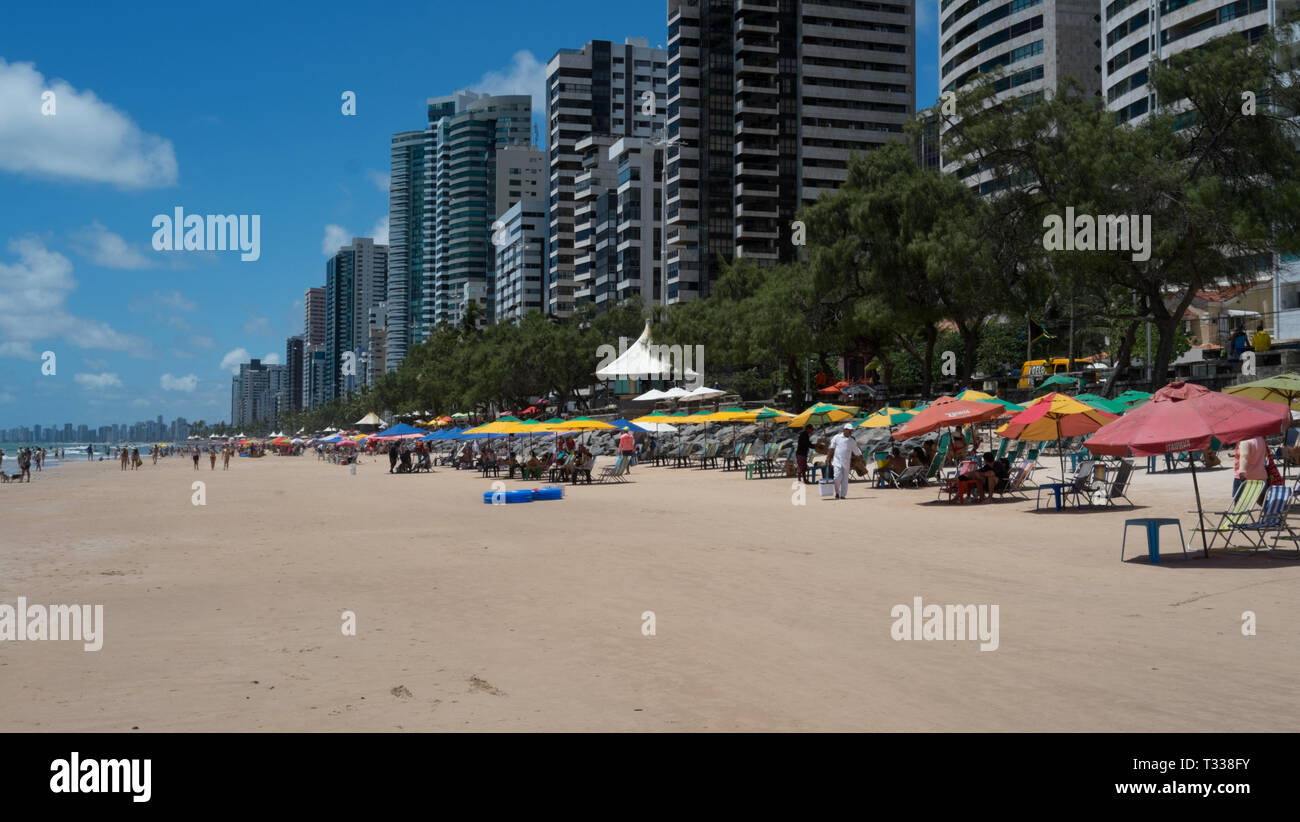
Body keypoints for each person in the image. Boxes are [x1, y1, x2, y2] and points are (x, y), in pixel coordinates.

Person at [828, 423, 862, 500]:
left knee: (845, 480)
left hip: (846, 463)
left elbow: (857, 452)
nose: (850, 432)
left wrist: (861, 460)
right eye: (849, 430)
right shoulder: (837, 437)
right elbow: (831, 448)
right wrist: (828, 459)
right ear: (844, 430)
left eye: (851, 431)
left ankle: (843, 495)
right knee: (836, 477)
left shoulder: (852, 441)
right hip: (837, 461)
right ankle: (837, 492)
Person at [1234, 434, 1268, 498]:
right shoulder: (1261, 439)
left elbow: (1244, 457)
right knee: (1261, 499)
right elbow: (1265, 455)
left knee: (1239, 501)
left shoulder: (1245, 441)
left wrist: (1242, 472)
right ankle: (1267, 508)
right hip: (1261, 475)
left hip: (1246, 477)